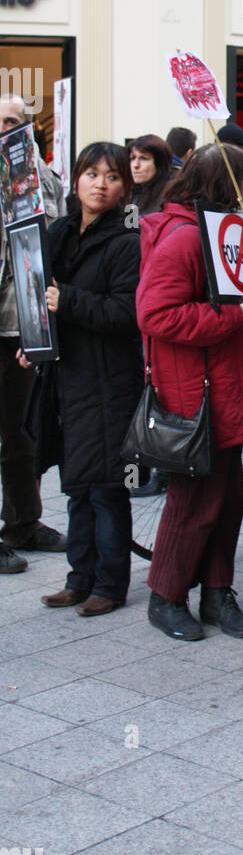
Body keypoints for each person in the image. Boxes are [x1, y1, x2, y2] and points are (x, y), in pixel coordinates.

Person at [137, 145, 243, 641]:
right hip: (199, 392)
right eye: (242, 180)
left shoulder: (218, 228)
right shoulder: (182, 238)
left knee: (229, 497)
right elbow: (155, 315)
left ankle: (218, 592)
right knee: (194, 499)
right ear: (224, 184)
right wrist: (233, 317)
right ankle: (167, 596)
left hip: (227, 385)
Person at [34, 143, 142, 616]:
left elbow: (128, 313)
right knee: (76, 482)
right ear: (74, 179)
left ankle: (110, 584)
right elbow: (42, 298)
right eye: (91, 174)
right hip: (66, 374)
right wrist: (32, 343)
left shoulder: (128, 240)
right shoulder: (59, 232)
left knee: (106, 487)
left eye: (112, 176)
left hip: (108, 379)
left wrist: (70, 301)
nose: (100, 184)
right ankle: (79, 577)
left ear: (126, 188)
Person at [0, 94, 67, 573]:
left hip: (18, 320)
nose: (5, 128)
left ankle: (23, 522)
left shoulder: (36, 175)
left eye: (14, 122)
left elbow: (57, 219)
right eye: (0, 120)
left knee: (21, 432)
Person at [129, 134, 173, 217]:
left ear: (159, 163)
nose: (135, 165)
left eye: (144, 158)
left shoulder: (172, 196)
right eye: (132, 158)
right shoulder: (131, 192)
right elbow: (130, 226)